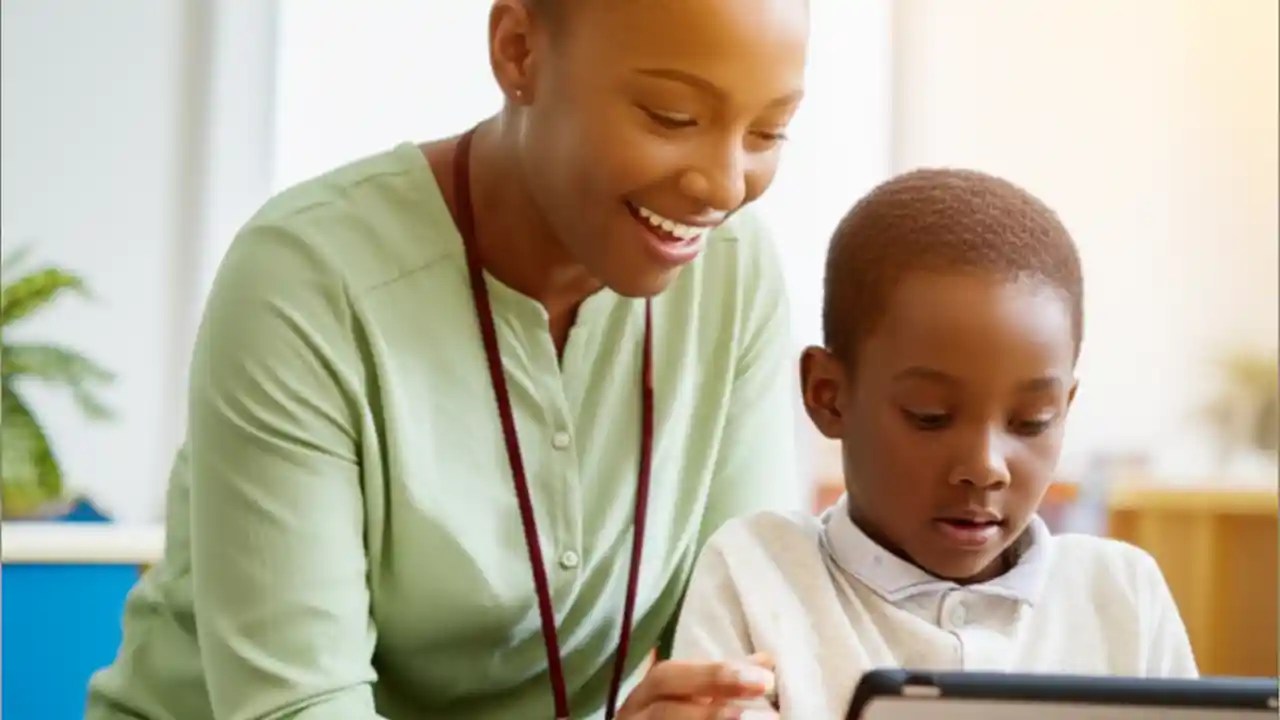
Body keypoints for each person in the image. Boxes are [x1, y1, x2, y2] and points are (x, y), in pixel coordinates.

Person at [86, 1, 810, 718]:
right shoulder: (305, 281)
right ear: (519, 50)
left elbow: (748, 638)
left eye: (768, 132)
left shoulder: (733, 274)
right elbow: (300, 709)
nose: (724, 185)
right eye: (671, 116)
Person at [669, 168, 1199, 718]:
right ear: (828, 396)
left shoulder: (1121, 594)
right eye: (931, 417)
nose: (985, 468)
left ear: (1065, 409)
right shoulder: (758, 573)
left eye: (1031, 421)